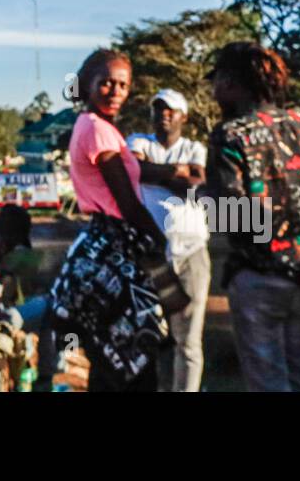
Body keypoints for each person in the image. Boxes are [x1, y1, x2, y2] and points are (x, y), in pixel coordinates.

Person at [206, 42, 300, 392]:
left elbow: (232, 217)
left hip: (259, 275)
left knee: (268, 381)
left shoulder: (230, 135)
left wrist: (205, 199)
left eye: (216, 82)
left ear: (230, 81)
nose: (213, 92)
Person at [52, 49, 169, 392]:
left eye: (123, 85)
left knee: (111, 357)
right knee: (129, 360)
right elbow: (129, 204)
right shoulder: (97, 130)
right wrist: (159, 244)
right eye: (106, 83)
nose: (115, 91)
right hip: (115, 247)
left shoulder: (96, 127)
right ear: (87, 85)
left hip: (105, 244)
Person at [128, 88, 211, 392]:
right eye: (158, 109)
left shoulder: (194, 148)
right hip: (152, 254)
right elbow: (134, 169)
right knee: (151, 334)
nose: (163, 115)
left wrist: (155, 174)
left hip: (191, 251)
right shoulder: (138, 141)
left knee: (188, 340)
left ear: (183, 116)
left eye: (170, 110)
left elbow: (195, 185)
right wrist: (174, 172)